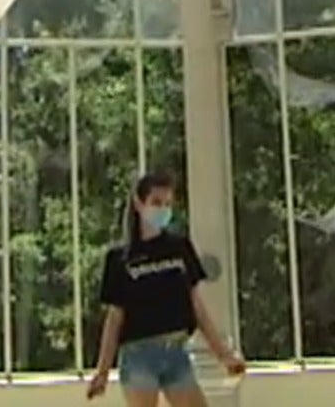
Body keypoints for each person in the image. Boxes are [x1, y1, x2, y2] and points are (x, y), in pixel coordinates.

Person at [89, 172, 246, 404]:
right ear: (138, 204)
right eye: (156, 202)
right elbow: (114, 318)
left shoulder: (179, 247)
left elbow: (197, 307)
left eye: (167, 204)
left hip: (176, 352)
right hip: (138, 355)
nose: (162, 209)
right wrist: (102, 371)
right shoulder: (119, 259)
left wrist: (223, 354)